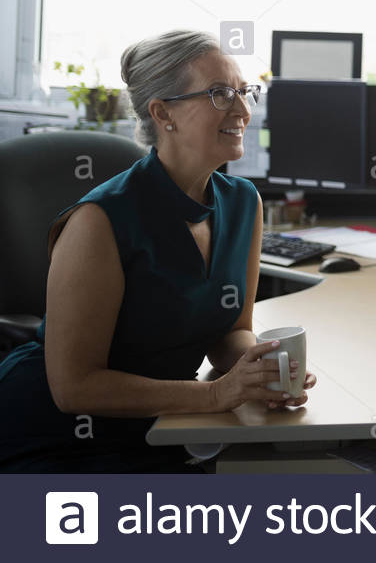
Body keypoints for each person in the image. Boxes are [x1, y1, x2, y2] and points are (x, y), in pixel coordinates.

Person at [0, 30, 317, 471]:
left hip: (166, 421)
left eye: (244, 92)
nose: (243, 110)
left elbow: (230, 332)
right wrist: (215, 394)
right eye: (221, 94)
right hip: (58, 435)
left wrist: (262, 371)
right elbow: (74, 388)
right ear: (163, 112)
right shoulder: (99, 220)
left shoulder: (245, 203)